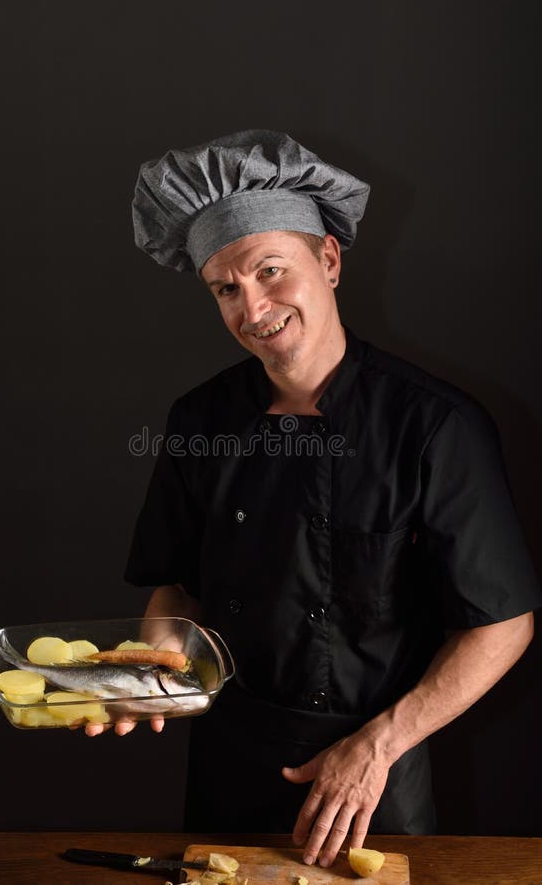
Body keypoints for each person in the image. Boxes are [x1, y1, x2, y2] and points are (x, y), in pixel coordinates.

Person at [87, 130, 541, 867]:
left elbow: (505, 624)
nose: (252, 307)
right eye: (225, 289)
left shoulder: (434, 426)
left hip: (371, 777)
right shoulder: (199, 421)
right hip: (229, 766)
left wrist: (378, 746)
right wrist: (158, 665)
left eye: (271, 271)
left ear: (328, 261)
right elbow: (177, 587)